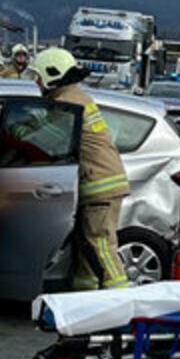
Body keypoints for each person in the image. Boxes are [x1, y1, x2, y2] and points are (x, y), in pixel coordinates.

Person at [34, 46, 130, 290]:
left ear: (51, 75)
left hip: (99, 185)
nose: (36, 82)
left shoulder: (65, 105)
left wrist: (18, 129)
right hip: (102, 182)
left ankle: (121, 298)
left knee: (100, 244)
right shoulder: (78, 97)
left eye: (38, 76)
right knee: (85, 248)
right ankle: (84, 299)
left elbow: (44, 141)